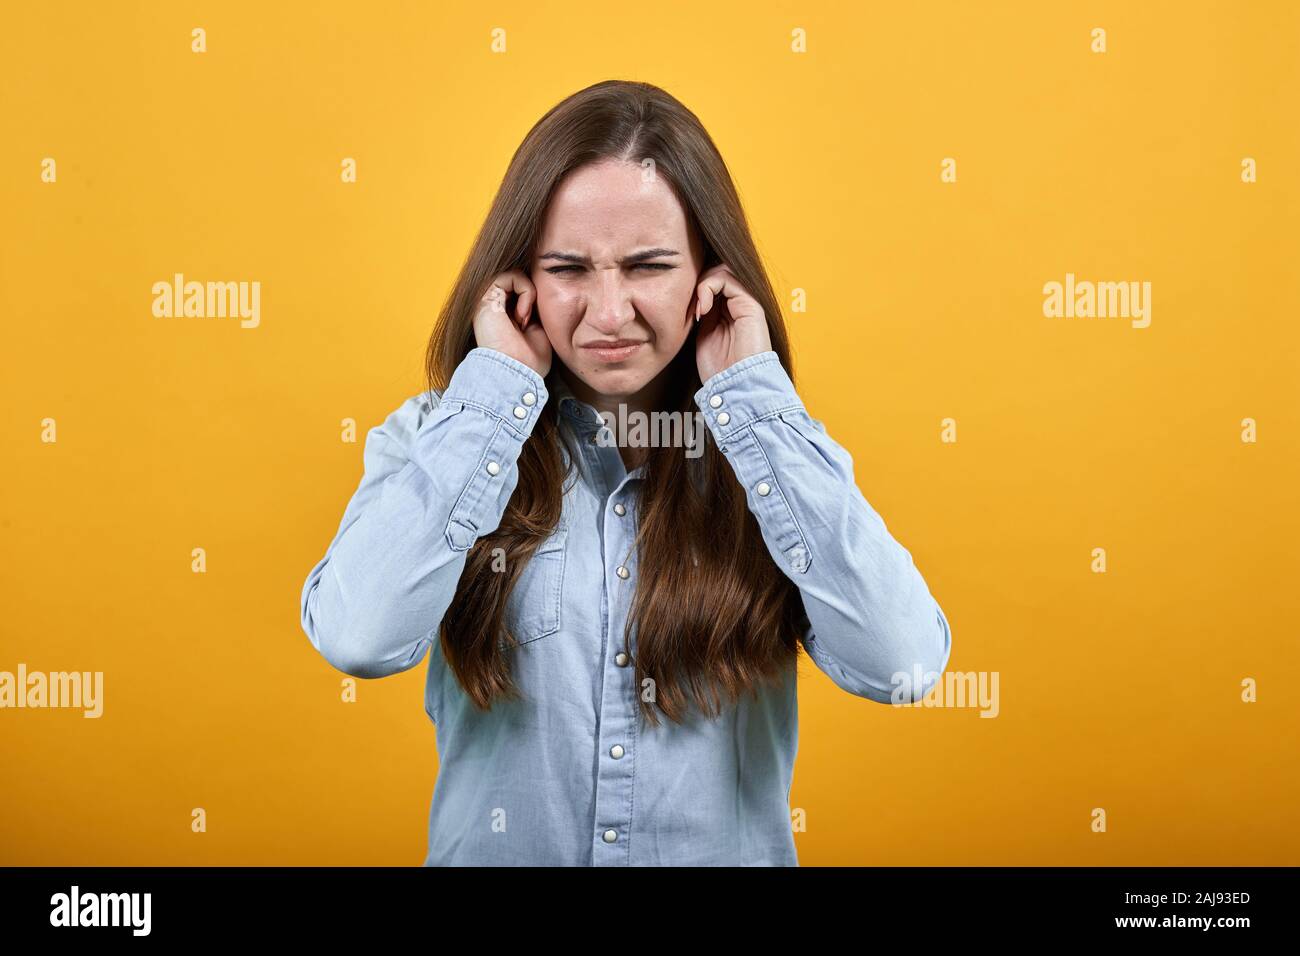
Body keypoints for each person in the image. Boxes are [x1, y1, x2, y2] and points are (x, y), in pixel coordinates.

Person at [300, 79, 953, 866]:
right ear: (518, 282)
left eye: (647, 266)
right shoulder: (436, 439)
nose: (609, 314)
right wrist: (497, 391)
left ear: (712, 277)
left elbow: (904, 663)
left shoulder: (776, 459)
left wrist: (750, 403)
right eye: (569, 268)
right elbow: (358, 637)